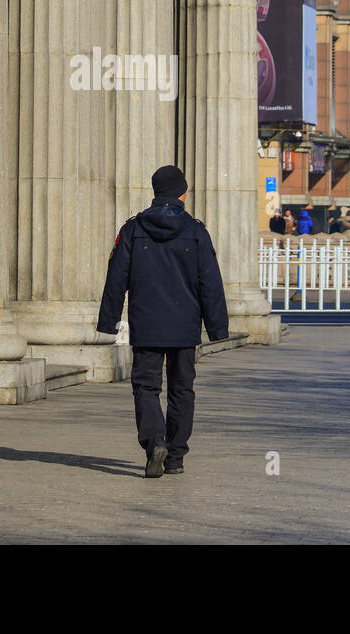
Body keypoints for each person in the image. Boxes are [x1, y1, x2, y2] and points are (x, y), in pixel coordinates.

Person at [97, 165, 229, 478]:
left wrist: (109, 320)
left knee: (145, 386)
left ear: (155, 192)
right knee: (182, 389)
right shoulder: (196, 231)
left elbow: (117, 278)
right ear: (183, 192)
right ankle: (175, 457)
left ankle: (155, 440)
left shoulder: (132, 228)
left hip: (147, 324)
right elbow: (209, 282)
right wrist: (217, 327)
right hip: (184, 327)